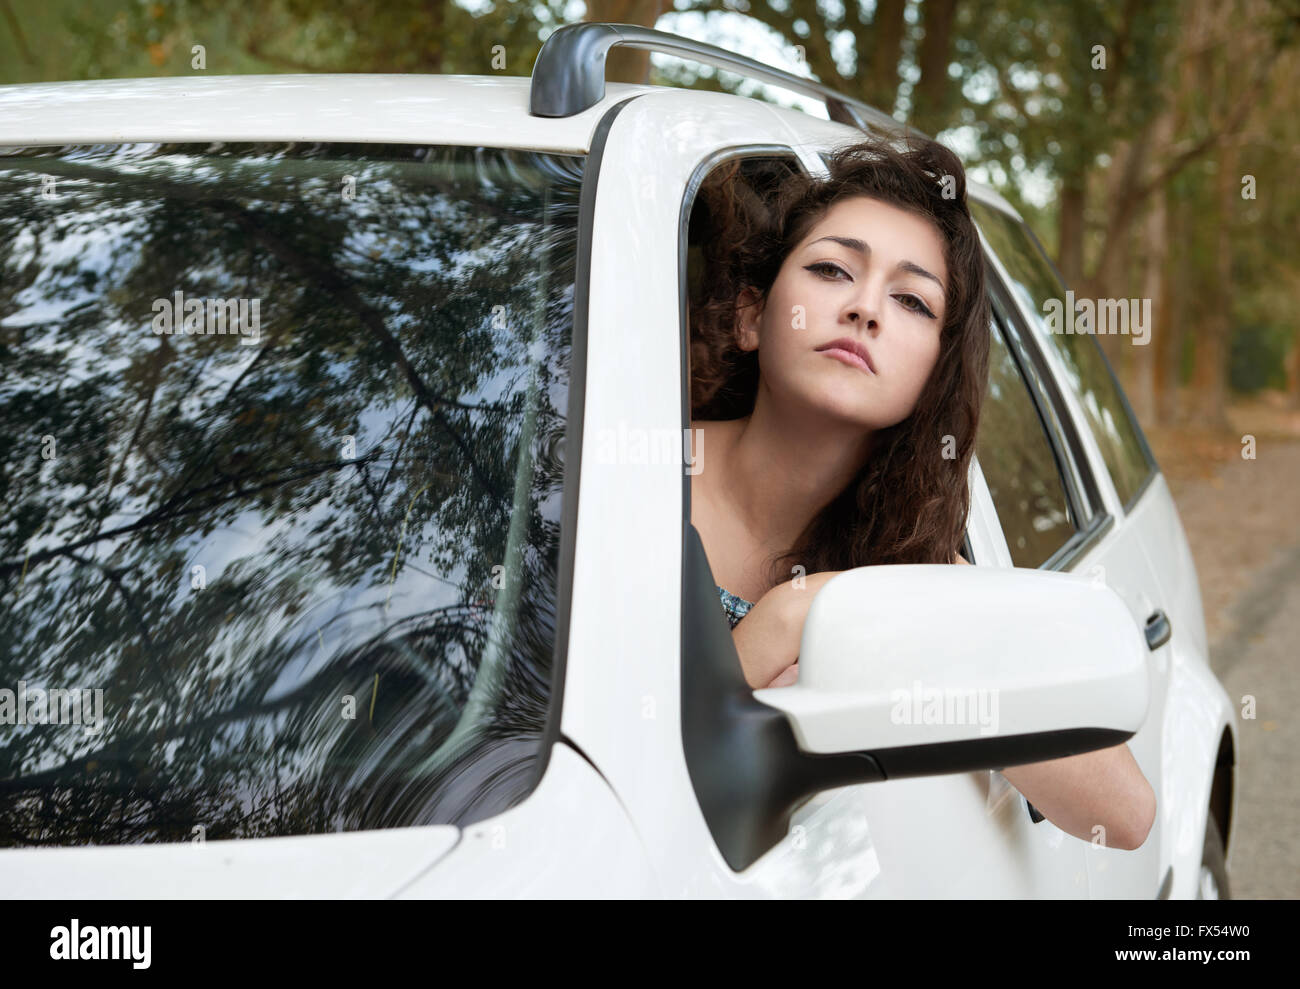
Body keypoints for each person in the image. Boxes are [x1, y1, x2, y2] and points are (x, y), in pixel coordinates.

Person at [687, 133, 1156, 850]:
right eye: (831, 269)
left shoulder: (914, 575)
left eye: (911, 299)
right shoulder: (612, 479)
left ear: (934, 375)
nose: (865, 308)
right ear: (752, 316)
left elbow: (1124, 814)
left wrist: (820, 608)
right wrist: (780, 626)